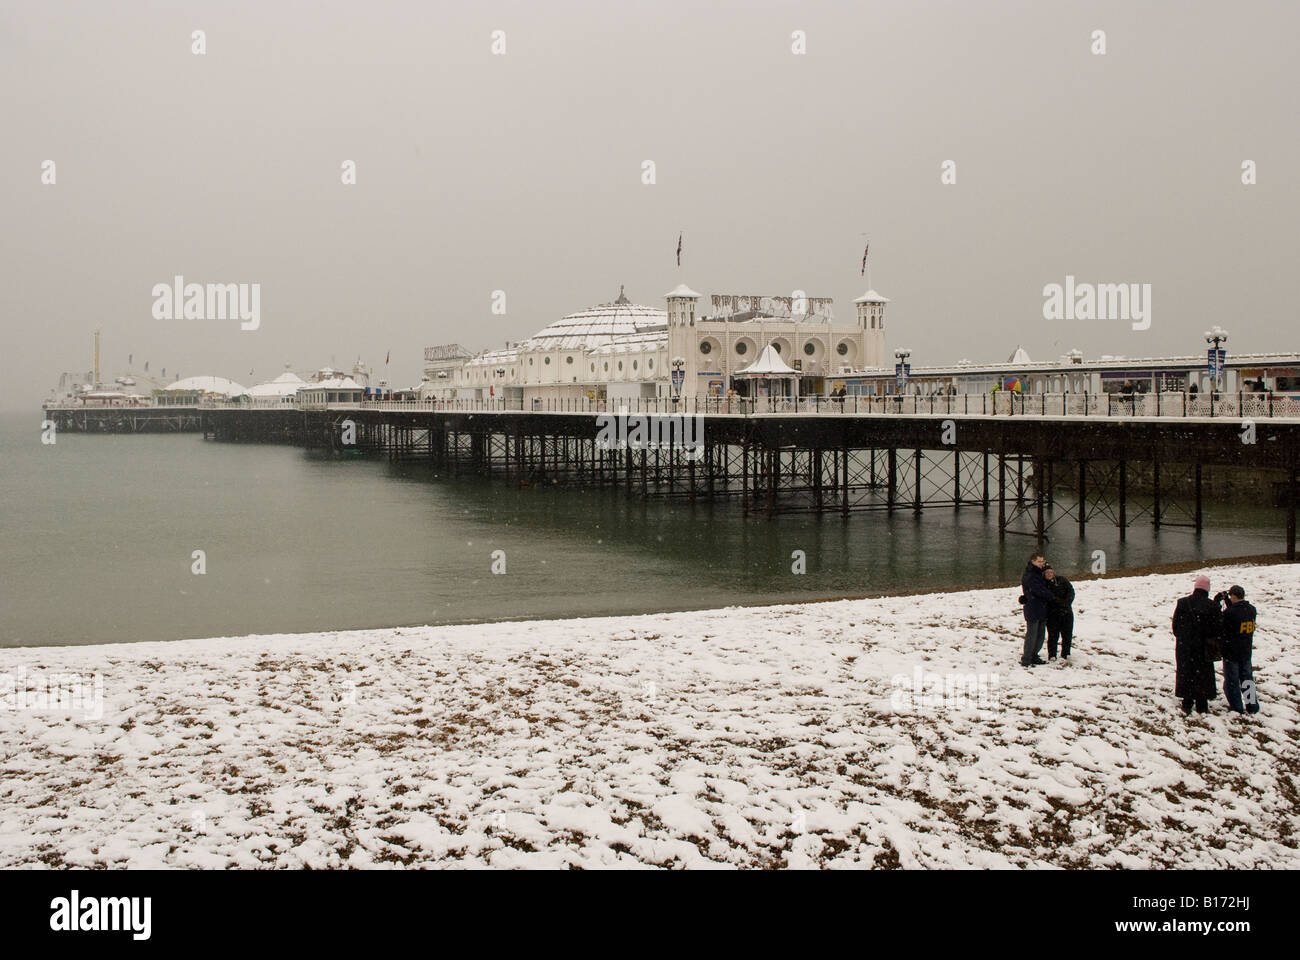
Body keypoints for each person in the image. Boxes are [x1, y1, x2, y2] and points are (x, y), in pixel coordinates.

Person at [1171, 574, 1222, 715]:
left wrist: (1183, 637)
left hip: (1185, 645)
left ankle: (1187, 701)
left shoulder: (1182, 603)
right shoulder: (1212, 606)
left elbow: (1175, 626)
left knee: (1186, 672)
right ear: (1207, 589)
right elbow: (1217, 628)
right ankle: (1202, 703)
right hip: (1203, 647)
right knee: (1203, 673)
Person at [1218, 585, 1260, 715]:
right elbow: (1238, 616)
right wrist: (1229, 603)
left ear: (1234, 596)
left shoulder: (1230, 613)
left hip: (1232, 652)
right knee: (1247, 679)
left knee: (1232, 681)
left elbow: (1223, 623)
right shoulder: (1251, 610)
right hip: (1246, 651)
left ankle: (1236, 707)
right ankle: (1252, 705)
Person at [1019, 552, 1054, 668]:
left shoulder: (1039, 573)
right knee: (1032, 634)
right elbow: (1038, 590)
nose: (1041, 564)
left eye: (1042, 561)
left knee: (1040, 634)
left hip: (1041, 608)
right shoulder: (1030, 575)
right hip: (1033, 608)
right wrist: (1052, 596)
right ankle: (1027, 658)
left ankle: (1034, 655)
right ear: (1033, 561)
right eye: (1039, 561)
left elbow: (1043, 587)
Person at [1044, 564, 1075, 661]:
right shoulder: (1043, 584)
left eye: (1050, 572)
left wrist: (1066, 603)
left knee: (1067, 634)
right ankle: (1052, 654)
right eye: (1047, 573)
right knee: (1053, 635)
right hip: (1052, 613)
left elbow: (1071, 591)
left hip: (1066, 611)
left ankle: (1066, 653)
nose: (1049, 574)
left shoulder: (1062, 580)